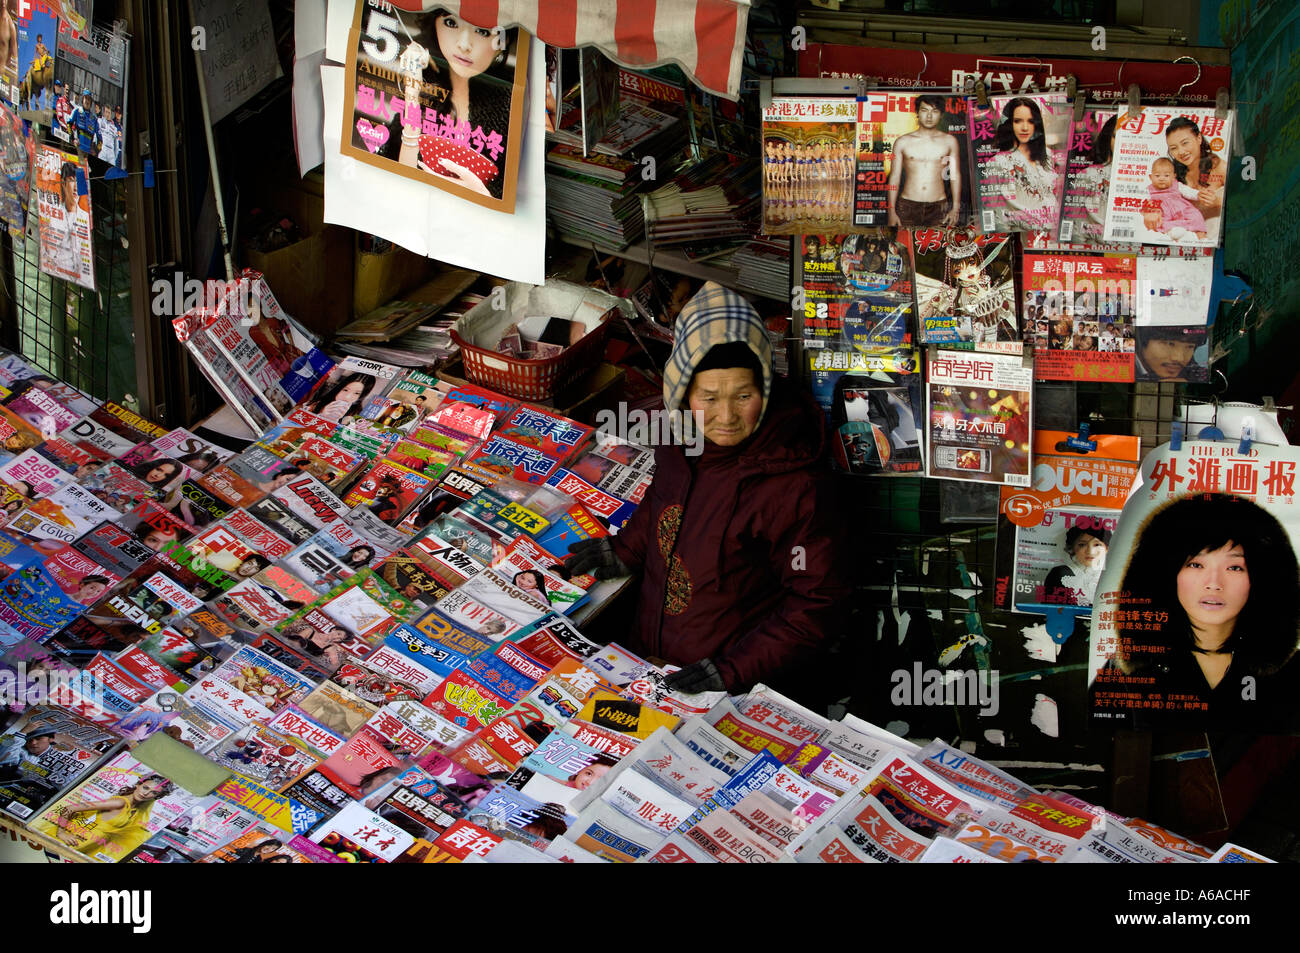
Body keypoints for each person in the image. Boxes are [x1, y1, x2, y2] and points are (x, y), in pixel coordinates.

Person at [568, 283, 846, 696]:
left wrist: (733, 670)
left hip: (730, 681)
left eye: (744, 395)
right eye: (709, 397)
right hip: (652, 657)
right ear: (683, 392)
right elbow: (664, 500)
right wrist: (627, 549)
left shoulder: (797, 486)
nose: (727, 416)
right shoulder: (680, 436)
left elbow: (815, 603)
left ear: (764, 388)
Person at [1108, 493, 1300, 726]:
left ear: (1261, 576)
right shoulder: (1127, 675)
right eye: (1196, 564)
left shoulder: (1290, 673)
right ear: (1166, 573)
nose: (1214, 583)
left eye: (1235, 567)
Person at [381, 9, 517, 200]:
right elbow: (400, 177)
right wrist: (412, 92)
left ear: (504, 41)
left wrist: (484, 196)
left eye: (483, 31)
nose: (463, 45)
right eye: (451, 23)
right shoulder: (429, 81)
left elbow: (514, 200)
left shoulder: (510, 102)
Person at [34, 773, 174, 858]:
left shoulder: (136, 809)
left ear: (156, 797)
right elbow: (70, 808)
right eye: (145, 787)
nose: (145, 793)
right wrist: (61, 832)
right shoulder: (119, 802)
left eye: (153, 793)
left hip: (90, 847)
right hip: (75, 842)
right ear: (138, 785)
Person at [982, 97, 1061, 230]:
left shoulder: (1048, 155)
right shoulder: (998, 163)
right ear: (1009, 124)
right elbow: (996, 215)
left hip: (1053, 232)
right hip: (1021, 233)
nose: (1025, 128)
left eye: (1030, 121)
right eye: (1018, 121)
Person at [888, 94, 962, 227]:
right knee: (905, 245)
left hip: (938, 205)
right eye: (924, 110)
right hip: (907, 204)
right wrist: (891, 211)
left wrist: (955, 208)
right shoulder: (902, 142)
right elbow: (894, 177)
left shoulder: (950, 141)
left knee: (938, 245)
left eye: (934, 111)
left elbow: (955, 175)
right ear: (917, 113)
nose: (929, 116)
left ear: (941, 114)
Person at [1165, 116, 1226, 234]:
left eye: (1185, 143)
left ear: (1199, 138)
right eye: (1174, 148)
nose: (1181, 152)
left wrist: (1217, 201)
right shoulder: (1173, 174)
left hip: (1218, 237)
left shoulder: (1219, 167)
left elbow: (1246, 199)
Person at [1143, 157, 1207, 242]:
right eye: (1157, 175)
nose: (1162, 178)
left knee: (1195, 215)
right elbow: (1144, 202)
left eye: (1166, 175)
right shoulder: (1148, 190)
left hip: (1182, 210)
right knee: (1158, 222)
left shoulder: (1177, 185)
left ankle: (1201, 236)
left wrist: (1198, 195)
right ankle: (1171, 235)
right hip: (1164, 213)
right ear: (1151, 177)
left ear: (1173, 177)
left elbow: (1188, 192)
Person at [44, 161, 89, 279]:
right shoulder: (55, 217)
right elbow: (49, 255)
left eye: (78, 181)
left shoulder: (86, 217)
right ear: (63, 183)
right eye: (71, 181)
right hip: (61, 275)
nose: (75, 187)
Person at [1043, 526, 1110, 606]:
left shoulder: (1114, 575)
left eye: (1097, 544)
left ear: (1106, 548)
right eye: (1082, 545)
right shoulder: (1060, 574)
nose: (1090, 551)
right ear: (1073, 547)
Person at [1134, 326, 1203, 382]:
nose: (1179, 358)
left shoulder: (1198, 375)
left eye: (1190, 346)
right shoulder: (1125, 369)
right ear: (1142, 342)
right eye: (1170, 344)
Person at [304, 372, 375, 421]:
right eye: (345, 390)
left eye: (356, 393)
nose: (347, 397)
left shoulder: (357, 416)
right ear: (339, 388)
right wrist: (322, 416)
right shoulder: (317, 403)